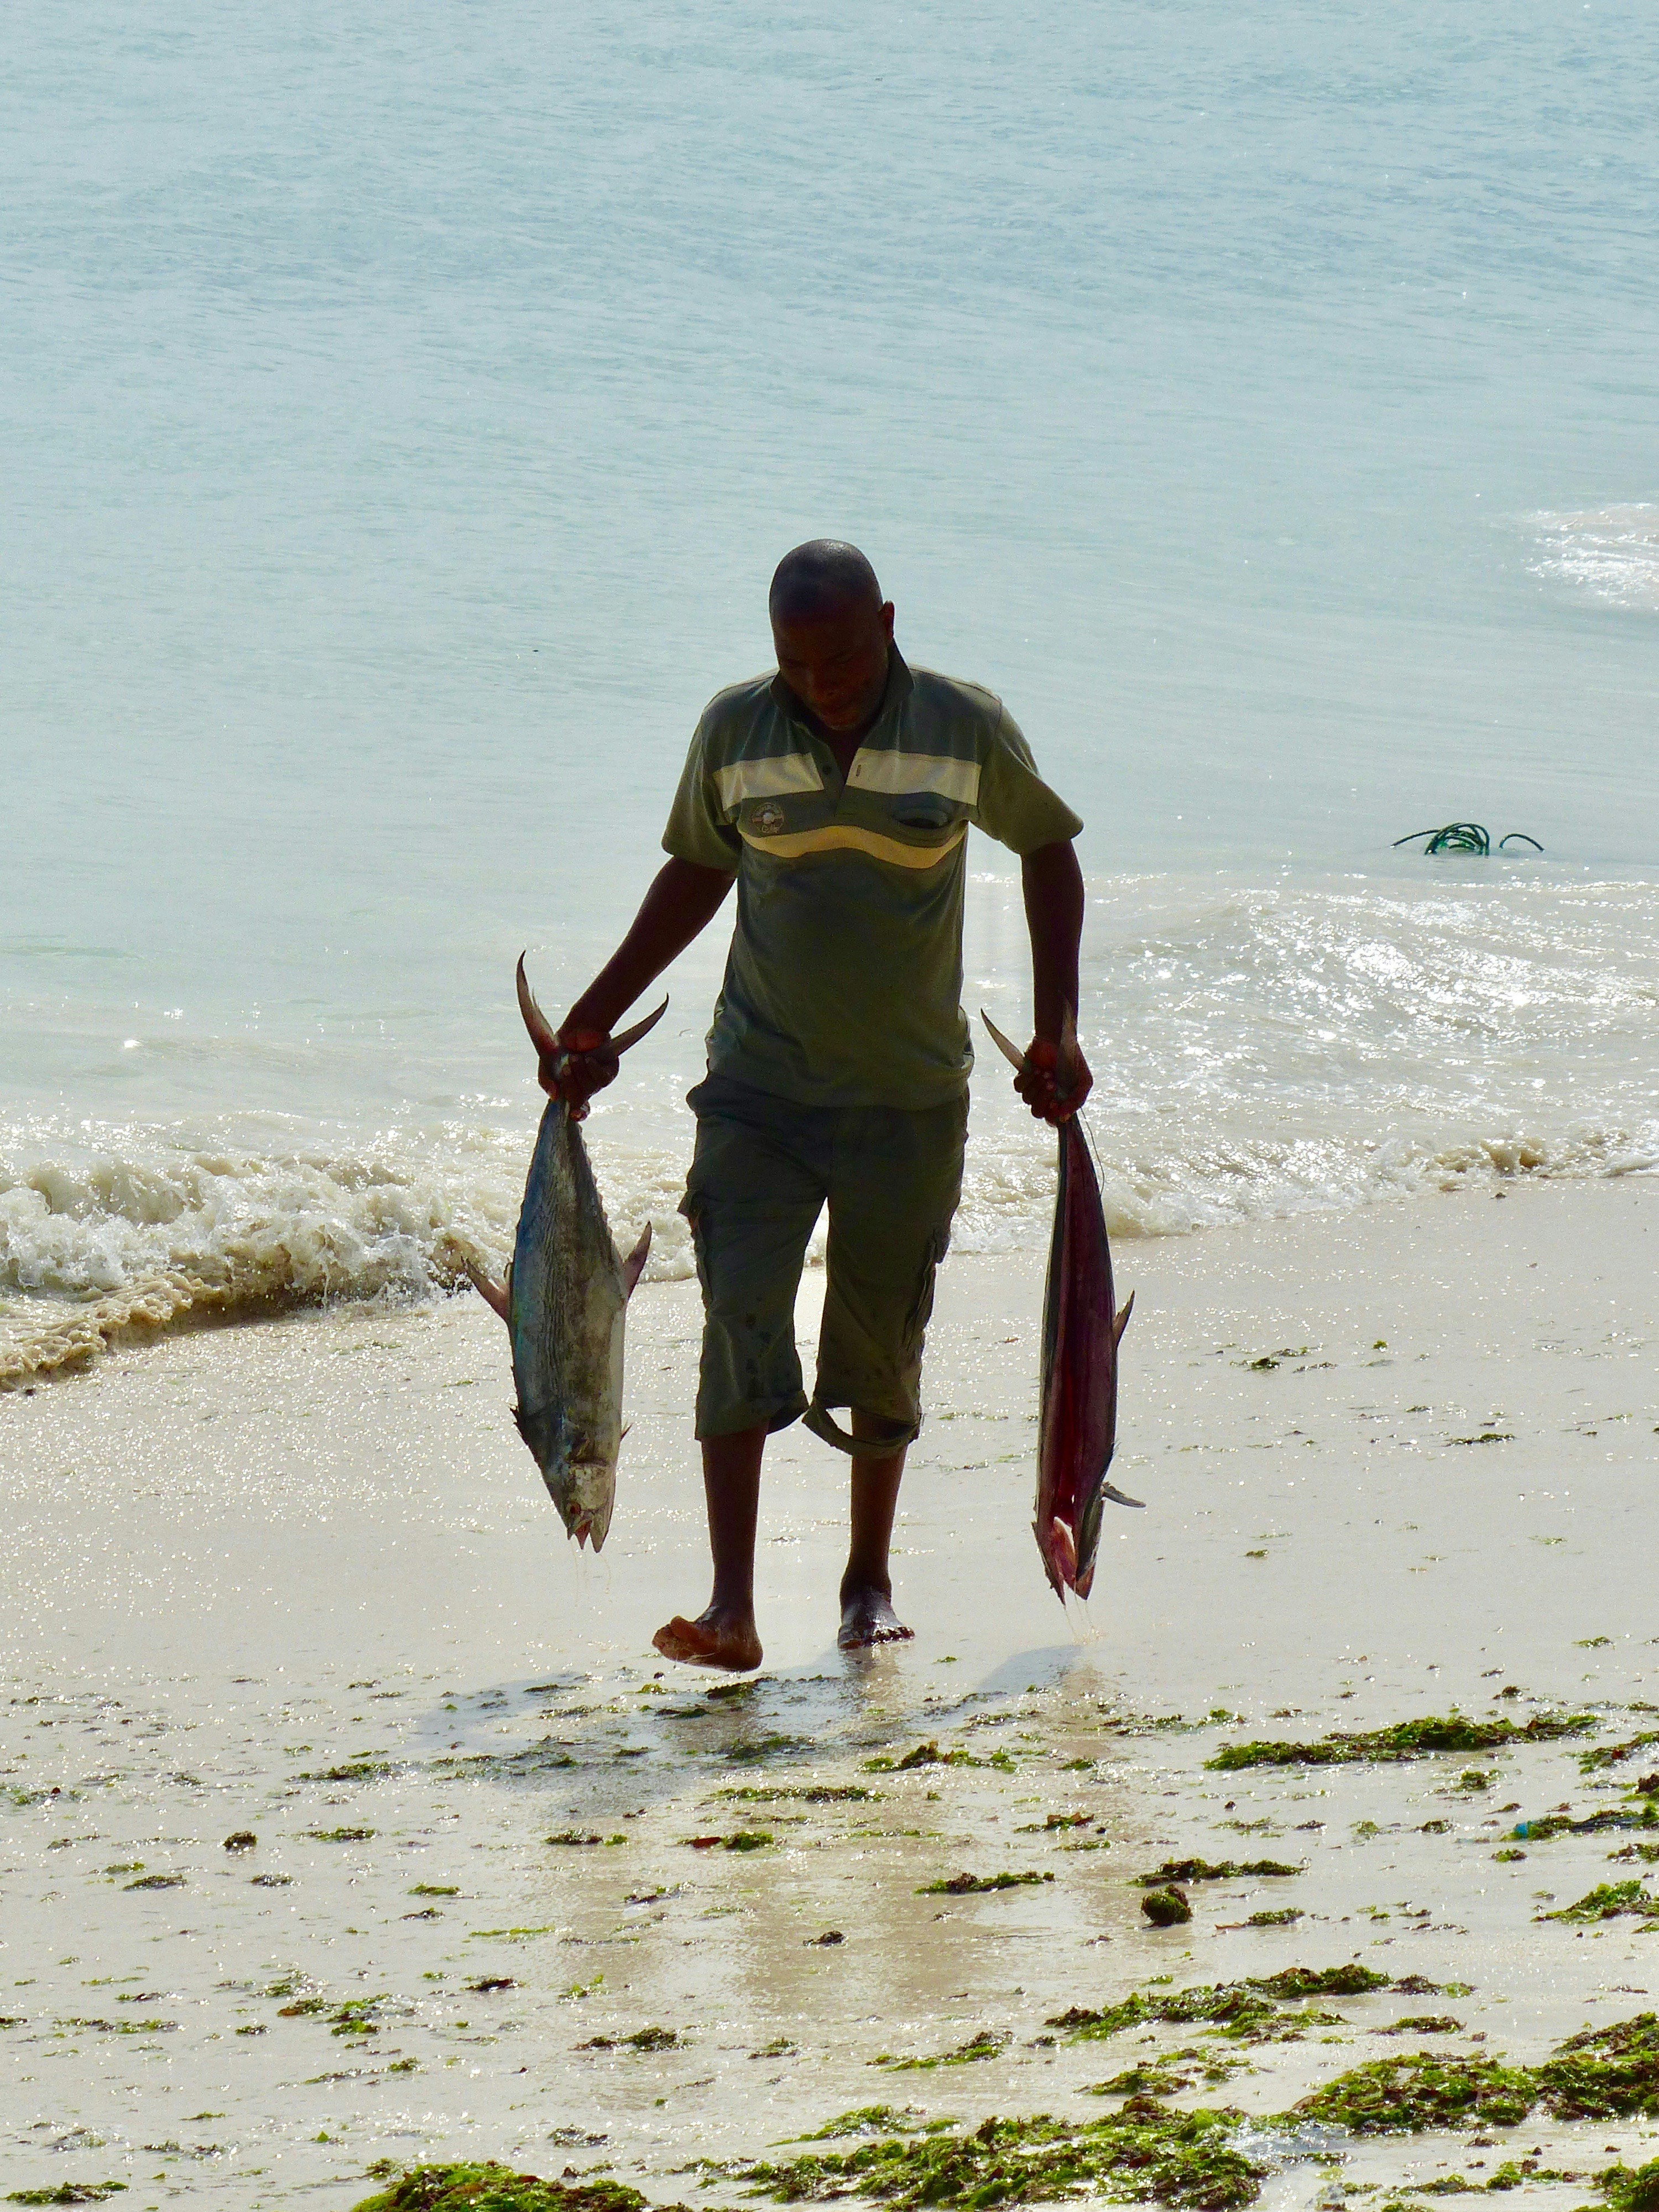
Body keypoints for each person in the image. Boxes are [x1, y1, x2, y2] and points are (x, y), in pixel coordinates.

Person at [540, 541, 1089, 1668]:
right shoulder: (736, 729)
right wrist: (592, 1015)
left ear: (888, 622)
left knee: (882, 1341)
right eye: (796, 661)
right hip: (757, 1084)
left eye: (840, 657)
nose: (823, 682)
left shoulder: (960, 724)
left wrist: (1058, 1024)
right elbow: (698, 872)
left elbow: (1047, 846)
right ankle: (732, 1603)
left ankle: (865, 1579)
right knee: (738, 1323)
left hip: (908, 1092)